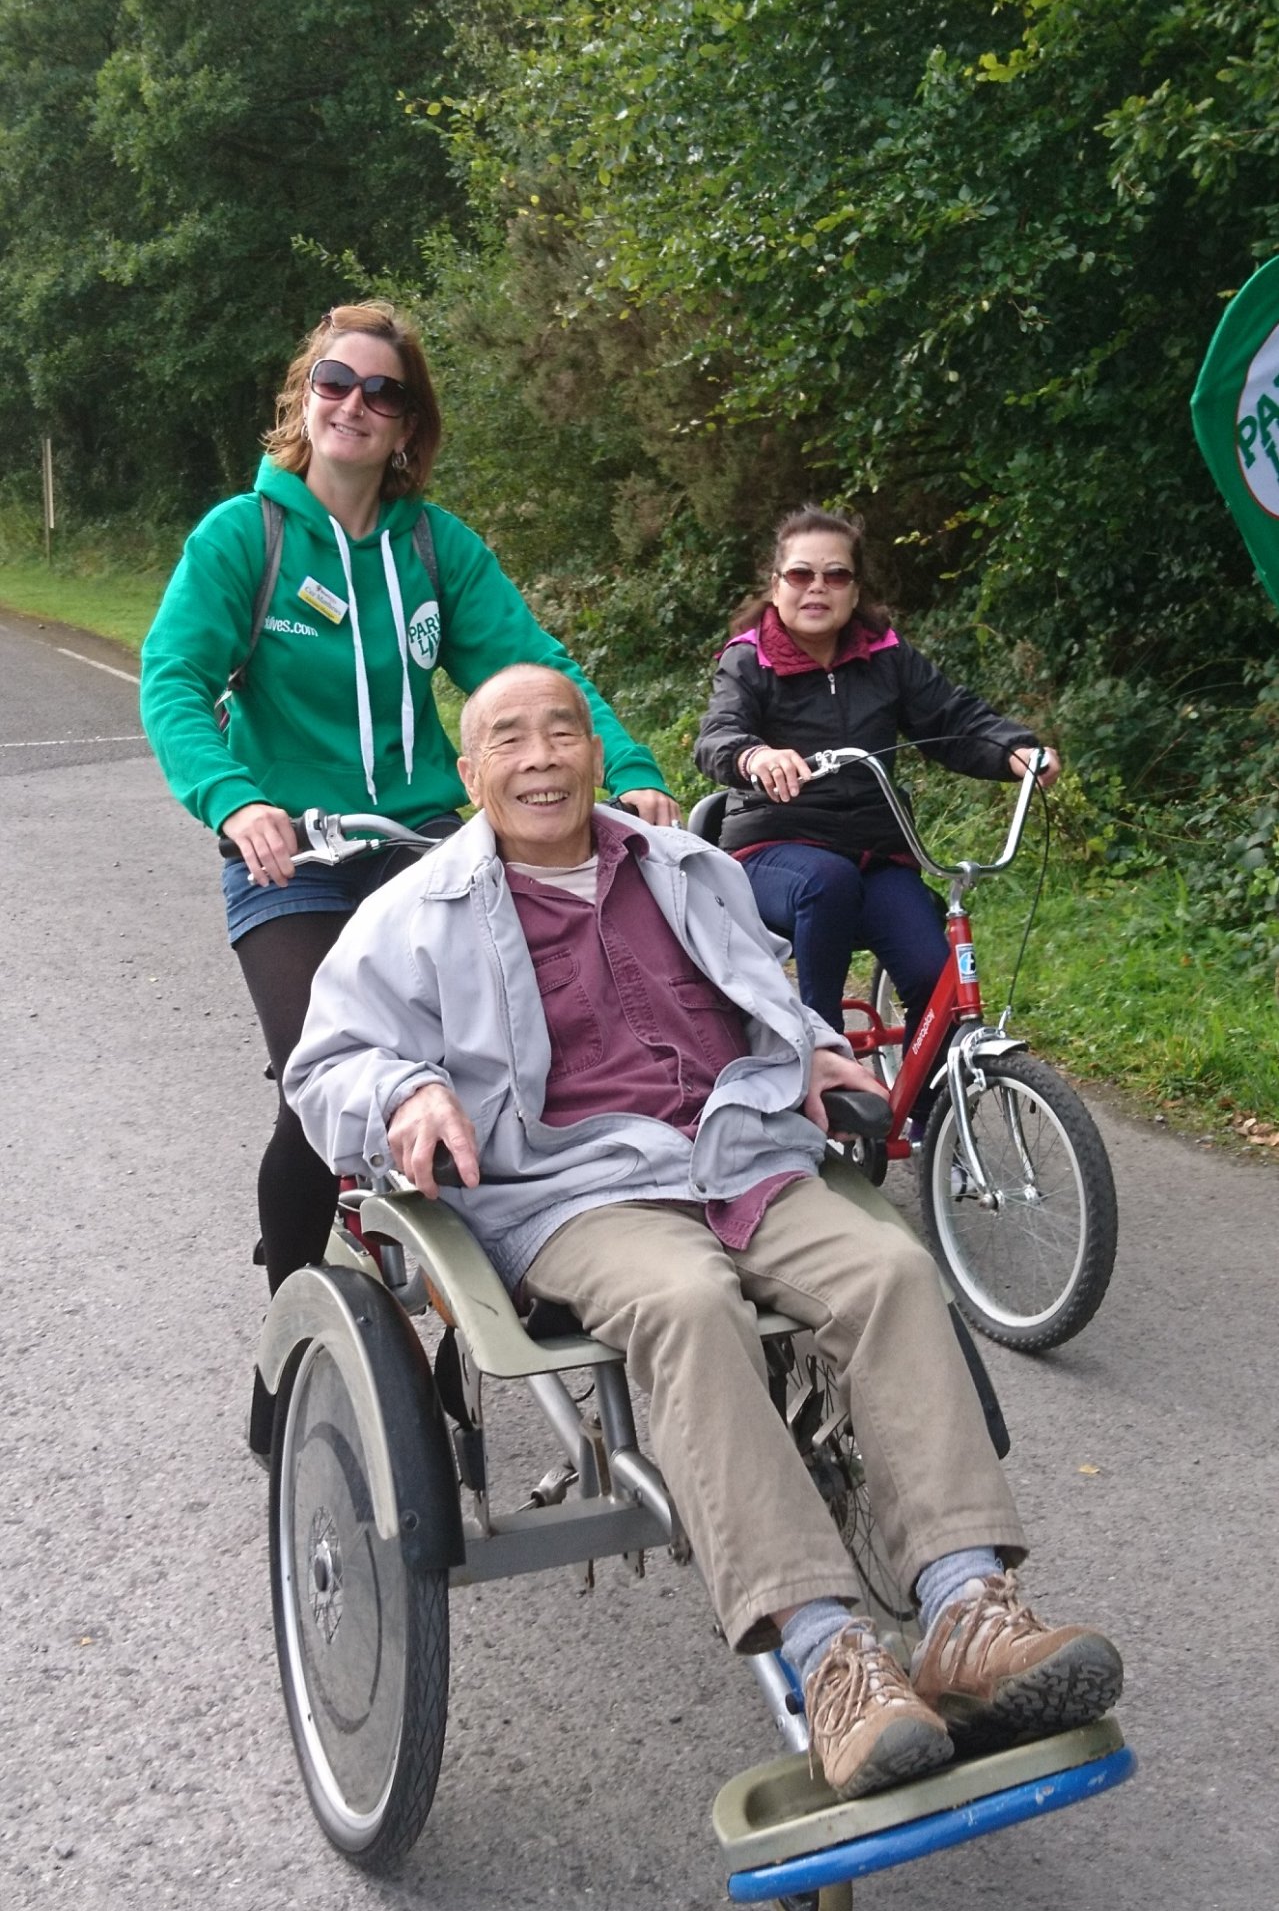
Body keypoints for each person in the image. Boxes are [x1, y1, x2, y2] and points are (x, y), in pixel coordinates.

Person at [284, 664, 1122, 1801]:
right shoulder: (412, 912)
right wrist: (403, 1092)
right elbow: (326, 1063)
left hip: (737, 1149)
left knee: (888, 1266)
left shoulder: (685, 865)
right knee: (685, 1303)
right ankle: (829, 1652)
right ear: (471, 773)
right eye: (508, 741)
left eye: (561, 733)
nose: (540, 759)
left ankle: (966, 1606)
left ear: (596, 754)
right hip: (575, 1188)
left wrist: (814, 1051)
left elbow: (762, 992)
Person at [140, 300, 678, 1294]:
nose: (354, 403)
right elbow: (173, 680)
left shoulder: (434, 547)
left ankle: (494, 1292)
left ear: (407, 426)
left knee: (493, 1060)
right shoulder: (244, 538)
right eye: (335, 382)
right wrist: (234, 800)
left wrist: (630, 767)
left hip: (420, 839)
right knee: (318, 1089)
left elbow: (535, 673)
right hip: (291, 856)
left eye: (382, 393)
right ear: (305, 398)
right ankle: (292, 1328)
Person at [694, 506, 1061, 1050]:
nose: (817, 587)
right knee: (827, 881)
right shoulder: (749, 661)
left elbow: (952, 719)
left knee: (933, 975)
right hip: (775, 848)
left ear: (855, 589)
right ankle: (822, 1052)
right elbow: (718, 734)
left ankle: (927, 1100)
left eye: (836, 575)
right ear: (776, 586)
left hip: (874, 852)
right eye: (800, 574)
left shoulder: (887, 656)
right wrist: (755, 757)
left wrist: (1017, 751)